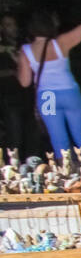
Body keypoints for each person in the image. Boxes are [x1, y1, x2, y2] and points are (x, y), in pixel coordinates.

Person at [15, 0, 81, 161]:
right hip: (70, 92)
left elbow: (25, 82)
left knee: (59, 140)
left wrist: (17, 63)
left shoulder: (26, 51)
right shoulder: (61, 43)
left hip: (47, 96)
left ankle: (69, 181)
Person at [0, 12, 29, 153]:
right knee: (15, 138)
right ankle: (14, 170)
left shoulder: (25, 43)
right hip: (10, 99)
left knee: (33, 137)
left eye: (13, 24)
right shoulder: (1, 48)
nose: (12, 28)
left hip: (31, 97)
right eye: (7, 25)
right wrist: (11, 73)